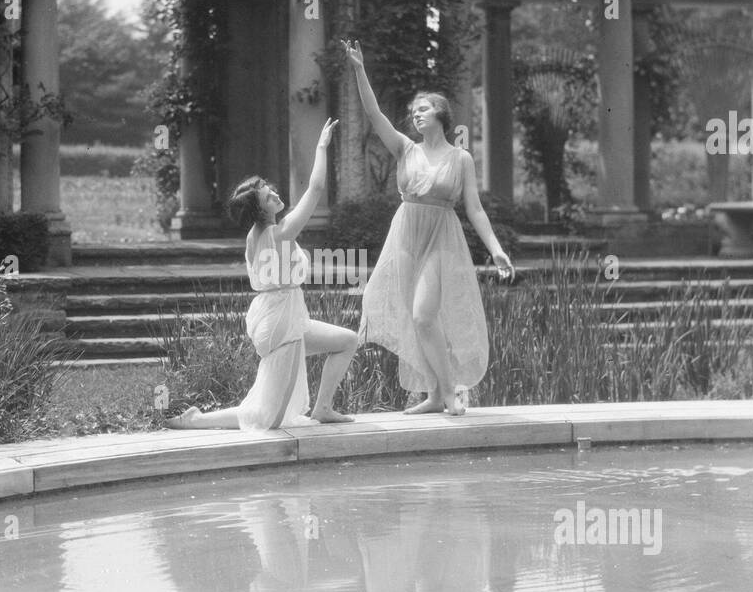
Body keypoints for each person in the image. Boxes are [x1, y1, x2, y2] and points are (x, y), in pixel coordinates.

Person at [343, 38, 515, 415]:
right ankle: (436, 395)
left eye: (423, 110)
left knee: (423, 315)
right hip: (406, 236)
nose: (415, 115)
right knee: (418, 320)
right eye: (413, 112)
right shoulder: (406, 149)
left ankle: (450, 391)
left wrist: (496, 248)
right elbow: (374, 115)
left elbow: (476, 210)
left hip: (441, 237)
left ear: (441, 114)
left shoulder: (461, 158)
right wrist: (359, 69)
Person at [164, 118, 357, 430]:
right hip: (283, 321)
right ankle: (196, 421)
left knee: (347, 340)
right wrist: (321, 146)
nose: (276, 196)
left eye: (272, 190)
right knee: (269, 418)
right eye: (269, 197)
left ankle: (323, 408)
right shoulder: (279, 234)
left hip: (284, 316)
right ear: (260, 210)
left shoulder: (255, 236)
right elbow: (317, 188)